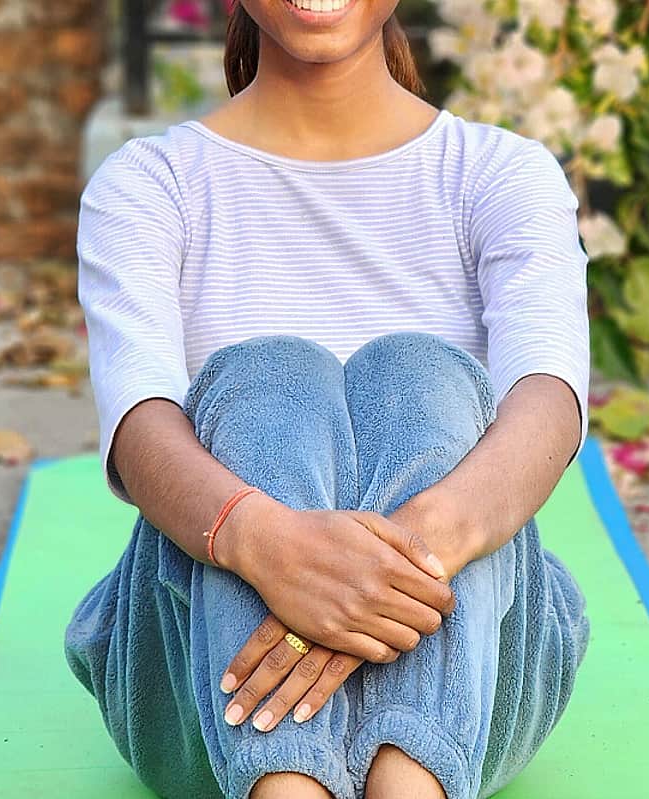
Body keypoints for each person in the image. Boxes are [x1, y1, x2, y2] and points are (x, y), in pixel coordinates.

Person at [64, 1, 593, 797]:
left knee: (421, 371)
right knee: (269, 375)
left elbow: (549, 402)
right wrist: (266, 545)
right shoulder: (149, 183)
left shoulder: (501, 173)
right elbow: (139, 433)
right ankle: (283, 781)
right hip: (204, 700)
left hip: (477, 693)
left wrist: (385, 574)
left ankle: (410, 780)